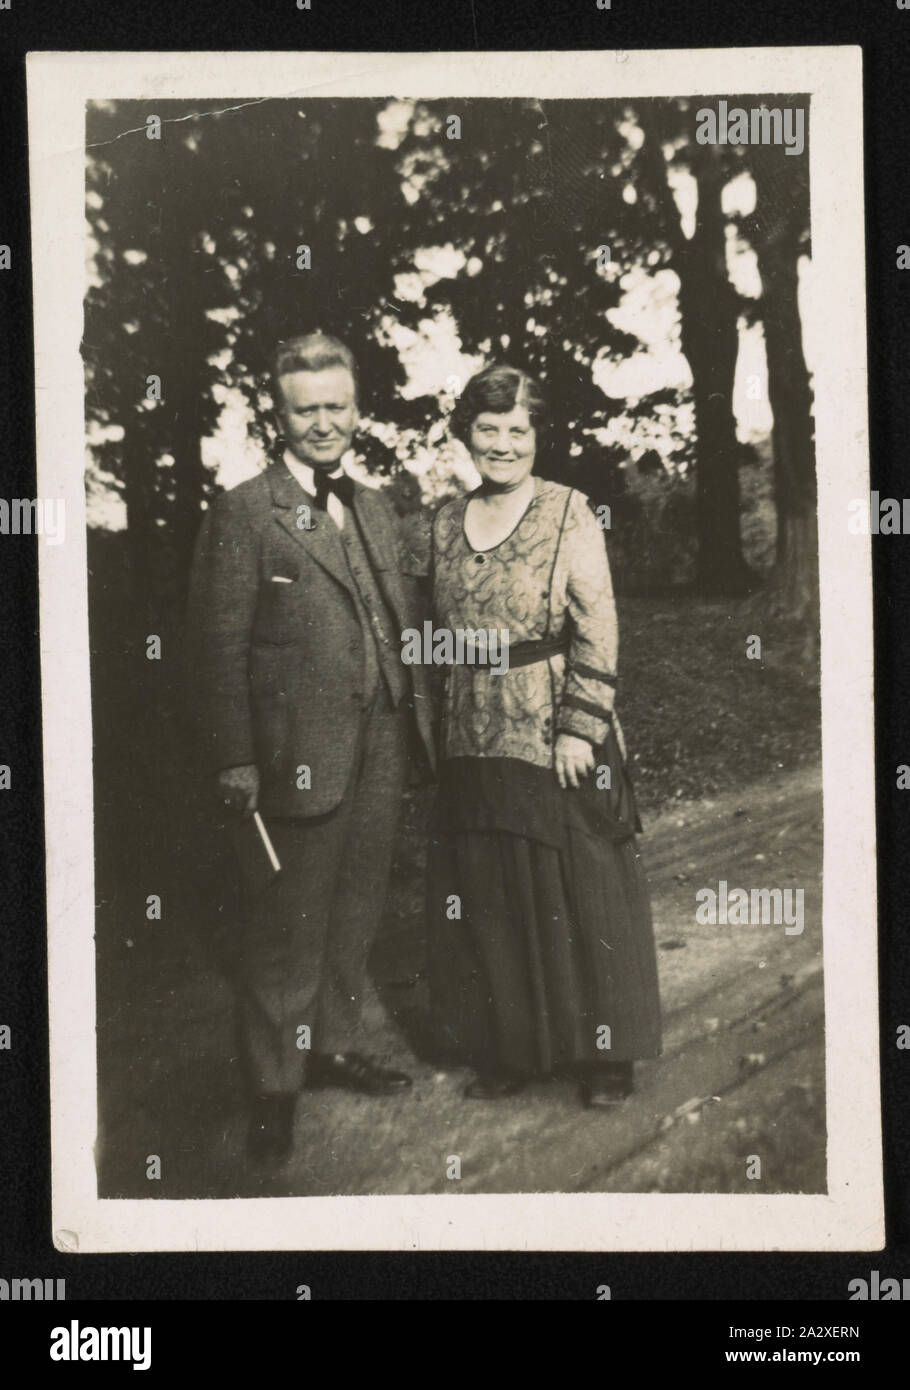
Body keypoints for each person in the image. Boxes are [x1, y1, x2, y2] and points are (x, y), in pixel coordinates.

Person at [186, 332, 435, 1162]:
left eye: (337, 406)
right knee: (285, 923)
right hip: (296, 751)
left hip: (382, 740)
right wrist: (233, 757)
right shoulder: (244, 510)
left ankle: (329, 1048)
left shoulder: (373, 504)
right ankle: (271, 1089)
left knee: (355, 907)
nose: (323, 423)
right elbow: (214, 647)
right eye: (306, 409)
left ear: (356, 409)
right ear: (277, 414)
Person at [427, 364, 662, 1107]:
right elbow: (429, 634)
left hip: (556, 723)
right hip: (472, 727)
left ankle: (605, 1058)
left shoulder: (570, 512)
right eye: (487, 429)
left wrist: (579, 730)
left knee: (583, 886)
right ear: (466, 432)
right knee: (492, 890)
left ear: (537, 434)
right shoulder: (440, 520)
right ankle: (515, 1051)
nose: (502, 445)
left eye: (517, 430)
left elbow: (599, 626)